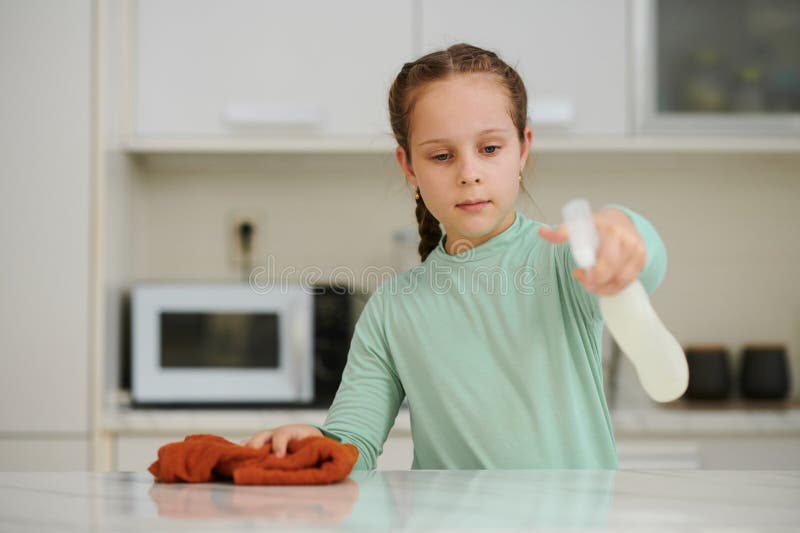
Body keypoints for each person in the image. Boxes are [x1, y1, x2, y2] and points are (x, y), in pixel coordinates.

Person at [241, 43, 667, 470]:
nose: (468, 172)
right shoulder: (393, 308)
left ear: (523, 148)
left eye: (489, 149)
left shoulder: (563, 262)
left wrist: (624, 231)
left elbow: (644, 266)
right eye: (441, 155)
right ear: (409, 167)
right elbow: (352, 444)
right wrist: (312, 443)